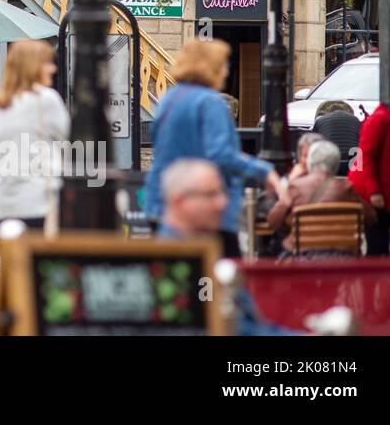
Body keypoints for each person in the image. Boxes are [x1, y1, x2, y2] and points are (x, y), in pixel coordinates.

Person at [145, 39, 285, 258]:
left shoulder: (169, 99)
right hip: (205, 212)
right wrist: (264, 170)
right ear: (209, 68)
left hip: (164, 206)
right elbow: (220, 155)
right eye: (223, 65)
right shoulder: (210, 103)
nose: (227, 72)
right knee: (223, 280)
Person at [157, 159, 296, 335]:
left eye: (221, 193)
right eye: (210, 195)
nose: (222, 203)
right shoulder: (177, 262)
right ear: (179, 201)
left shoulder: (207, 248)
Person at [0, 40, 71, 231]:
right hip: (40, 200)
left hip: (6, 201)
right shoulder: (46, 99)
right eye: (47, 63)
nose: (52, 68)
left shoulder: (0, 104)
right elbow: (69, 140)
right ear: (32, 66)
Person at [265, 140, 359, 253]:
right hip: (342, 256)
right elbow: (370, 217)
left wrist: (288, 184)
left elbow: (273, 222)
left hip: (302, 257)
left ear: (310, 161)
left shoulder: (296, 186)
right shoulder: (346, 188)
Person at [348, 81, 390, 255]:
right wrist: (374, 192)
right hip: (376, 193)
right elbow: (366, 157)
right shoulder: (380, 121)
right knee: (378, 243)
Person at [313, 101, 361, 176]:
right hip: (353, 164)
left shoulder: (320, 121)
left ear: (328, 112)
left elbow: (314, 143)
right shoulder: (355, 120)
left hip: (329, 164)